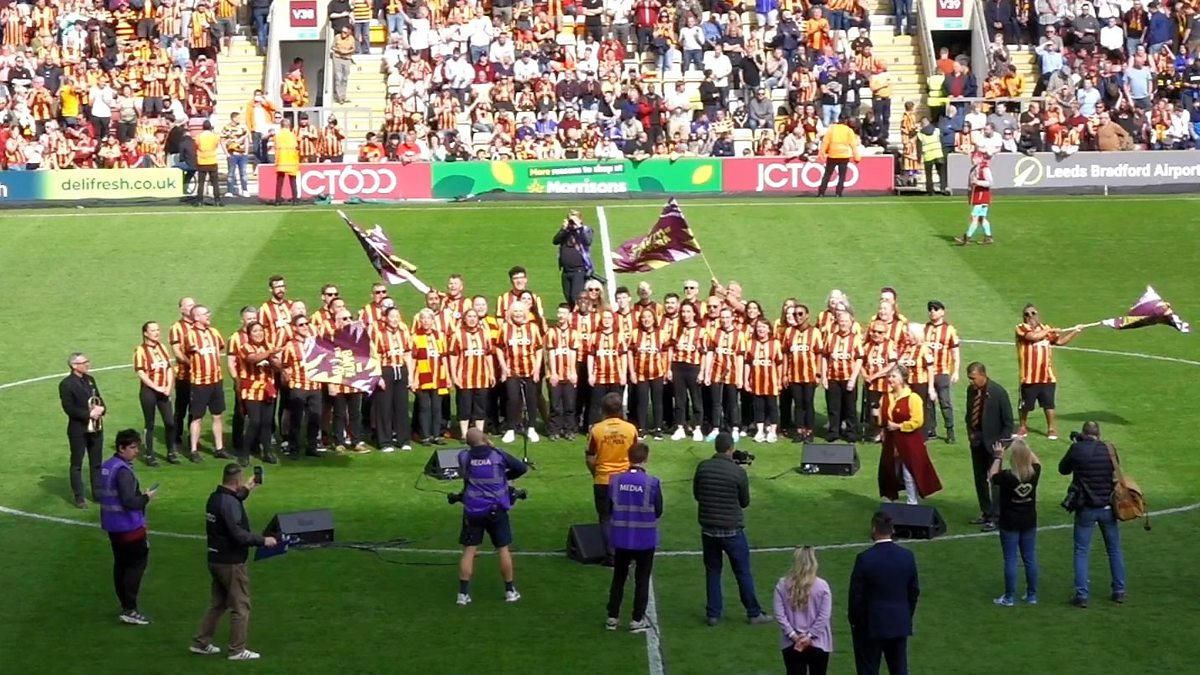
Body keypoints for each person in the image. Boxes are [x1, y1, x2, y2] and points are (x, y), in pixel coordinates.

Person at [191, 463, 277, 661]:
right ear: (236, 480)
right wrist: (264, 540)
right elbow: (239, 535)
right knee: (241, 606)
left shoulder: (215, 498)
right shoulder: (229, 504)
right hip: (230, 562)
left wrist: (249, 487)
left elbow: (232, 500)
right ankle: (237, 650)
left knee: (218, 603)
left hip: (215, 558)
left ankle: (201, 642)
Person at [693, 432, 772, 627]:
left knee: (713, 571)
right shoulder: (738, 473)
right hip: (731, 529)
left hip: (708, 528)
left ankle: (713, 613)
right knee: (743, 572)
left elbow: (697, 494)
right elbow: (744, 502)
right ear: (731, 449)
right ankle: (753, 612)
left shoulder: (702, 467)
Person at [456, 428, 529, 605]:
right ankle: (510, 591)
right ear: (485, 438)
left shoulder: (463, 456)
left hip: (473, 509)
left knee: (470, 550)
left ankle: (463, 595)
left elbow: (465, 476)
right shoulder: (498, 455)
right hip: (496, 509)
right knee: (503, 549)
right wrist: (504, 475)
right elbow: (521, 468)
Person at [1058, 421, 1126, 608]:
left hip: (1086, 507)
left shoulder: (1077, 449)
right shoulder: (1109, 450)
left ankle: (1082, 595)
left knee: (1081, 551)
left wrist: (1076, 445)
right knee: (1114, 550)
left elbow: (1063, 469)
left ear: (1083, 433)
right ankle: (1119, 591)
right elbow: (1114, 469)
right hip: (1108, 507)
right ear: (1099, 433)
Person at [848, 511, 920, 675]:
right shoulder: (907, 557)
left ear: (874, 529)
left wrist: (856, 622)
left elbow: (856, 597)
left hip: (871, 626)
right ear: (892, 529)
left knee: (868, 670)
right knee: (899, 669)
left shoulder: (865, 559)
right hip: (898, 622)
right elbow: (913, 591)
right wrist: (906, 615)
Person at [98, 429, 156, 625]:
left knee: (121, 565)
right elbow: (130, 501)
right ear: (121, 448)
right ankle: (130, 609)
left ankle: (125, 605)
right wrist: (146, 497)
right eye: (132, 447)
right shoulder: (123, 471)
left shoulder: (107, 466)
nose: (136, 451)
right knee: (135, 565)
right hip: (129, 527)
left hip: (113, 526)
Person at [605, 442, 662, 633]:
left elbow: (609, 507)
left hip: (622, 536)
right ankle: (637, 619)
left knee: (618, 578)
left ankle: (612, 617)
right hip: (645, 538)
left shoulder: (615, 480)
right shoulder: (652, 483)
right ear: (646, 459)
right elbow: (659, 510)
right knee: (642, 579)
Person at [1015, 304, 1082, 440]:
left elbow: (1060, 342)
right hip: (1029, 377)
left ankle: (1051, 429)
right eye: (1027, 314)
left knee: (1049, 404)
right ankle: (1022, 427)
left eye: (1033, 313)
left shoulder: (1046, 329)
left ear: (1038, 315)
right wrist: (1050, 330)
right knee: (1025, 405)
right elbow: (1032, 337)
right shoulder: (1021, 328)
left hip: (1047, 376)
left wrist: (1075, 331)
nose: (1030, 317)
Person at [988, 437, 1041, 606]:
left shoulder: (1007, 477)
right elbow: (1036, 461)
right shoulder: (1035, 472)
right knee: (1030, 558)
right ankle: (1032, 595)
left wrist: (998, 455)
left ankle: (1009, 597)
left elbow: (992, 476)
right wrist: (1024, 446)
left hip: (1009, 522)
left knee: (1010, 559)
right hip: (1029, 521)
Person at [879, 366, 942, 505]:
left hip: (909, 441)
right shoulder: (886, 397)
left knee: (909, 472)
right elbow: (883, 419)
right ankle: (890, 501)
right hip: (891, 442)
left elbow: (918, 421)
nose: (890, 379)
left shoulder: (913, 398)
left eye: (894, 376)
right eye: (889, 376)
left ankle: (912, 502)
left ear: (903, 379)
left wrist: (899, 426)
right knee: (890, 471)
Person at [964, 362, 1014, 532]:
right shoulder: (971, 391)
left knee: (995, 481)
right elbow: (969, 414)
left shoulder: (998, 392)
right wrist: (970, 432)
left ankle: (996, 516)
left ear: (982, 375)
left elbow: (1008, 422)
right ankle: (986, 512)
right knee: (979, 479)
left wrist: (1002, 445)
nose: (971, 382)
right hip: (977, 441)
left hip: (994, 444)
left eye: (973, 378)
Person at [773, 547, 834, 675]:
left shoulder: (782, 584)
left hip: (791, 643)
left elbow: (780, 615)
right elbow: (824, 616)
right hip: (818, 642)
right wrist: (810, 636)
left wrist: (793, 636)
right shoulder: (822, 586)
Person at [184, 305, 230, 461]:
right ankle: (193, 450)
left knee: (217, 415)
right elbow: (189, 349)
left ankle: (219, 448)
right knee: (197, 417)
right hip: (200, 382)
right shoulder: (190, 335)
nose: (208, 315)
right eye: (205, 314)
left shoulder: (214, 332)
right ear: (196, 317)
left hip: (216, 380)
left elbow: (220, 346)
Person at [60, 352, 106, 508]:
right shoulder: (66, 384)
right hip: (78, 430)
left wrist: (101, 409)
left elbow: (99, 398)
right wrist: (88, 414)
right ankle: (79, 496)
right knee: (77, 464)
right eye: (84, 362)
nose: (88, 364)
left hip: (96, 428)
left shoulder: (90, 380)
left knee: (97, 463)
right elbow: (69, 408)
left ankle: (98, 494)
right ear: (74, 366)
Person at [133, 322, 176, 466]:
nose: (157, 333)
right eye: (153, 330)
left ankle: (171, 452)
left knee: (170, 422)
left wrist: (169, 387)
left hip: (164, 390)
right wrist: (156, 387)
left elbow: (169, 368)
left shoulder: (162, 347)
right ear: (145, 333)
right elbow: (141, 372)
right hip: (149, 391)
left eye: (158, 329)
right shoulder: (140, 350)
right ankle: (149, 454)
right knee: (150, 423)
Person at [922, 300, 960, 443]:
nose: (932, 311)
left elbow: (955, 351)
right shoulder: (925, 328)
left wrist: (955, 371)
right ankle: (931, 429)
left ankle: (950, 430)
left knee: (945, 402)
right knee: (928, 403)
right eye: (930, 309)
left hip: (942, 372)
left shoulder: (949, 330)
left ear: (943, 312)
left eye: (935, 309)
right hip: (926, 372)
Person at [553, 209, 594, 307]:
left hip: (578, 270)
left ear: (580, 219)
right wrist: (563, 229)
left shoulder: (585, 229)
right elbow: (555, 241)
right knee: (568, 297)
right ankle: (572, 316)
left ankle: (578, 317)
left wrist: (578, 227)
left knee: (576, 297)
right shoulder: (566, 231)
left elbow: (587, 241)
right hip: (566, 271)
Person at [815, 113, 862, 198]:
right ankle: (838, 193)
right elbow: (853, 145)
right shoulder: (849, 130)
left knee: (827, 175)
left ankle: (821, 193)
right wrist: (857, 158)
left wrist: (821, 154)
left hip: (832, 155)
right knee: (842, 176)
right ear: (846, 121)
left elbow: (825, 142)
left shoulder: (832, 128)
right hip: (844, 156)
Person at [955, 150, 994, 245]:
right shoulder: (974, 169)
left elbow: (990, 182)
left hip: (982, 197)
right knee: (981, 218)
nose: (972, 159)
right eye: (972, 157)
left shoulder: (984, 169)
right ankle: (988, 237)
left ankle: (967, 237)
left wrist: (978, 182)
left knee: (974, 217)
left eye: (975, 157)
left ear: (980, 158)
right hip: (977, 196)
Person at [193, 119, 224, 207]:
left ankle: (199, 201)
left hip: (202, 161)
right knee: (215, 183)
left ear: (202, 127)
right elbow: (216, 145)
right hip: (212, 161)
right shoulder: (215, 136)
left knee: (201, 183)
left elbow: (196, 146)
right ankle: (217, 200)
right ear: (210, 127)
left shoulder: (198, 136)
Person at [273, 118, 300, 205]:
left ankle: (277, 200)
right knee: (293, 181)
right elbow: (296, 146)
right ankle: (295, 200)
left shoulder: (277, 135)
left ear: (281, 125)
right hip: (291, 161)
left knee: (279, 182)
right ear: (289, 125)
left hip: (281, 160)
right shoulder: (292, 135)